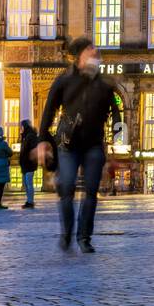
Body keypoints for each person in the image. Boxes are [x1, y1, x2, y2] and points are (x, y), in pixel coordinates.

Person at [38, 37, 123, 253]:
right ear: (78, 57)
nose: (95, 50)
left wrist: (119, 146)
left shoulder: (105, 82)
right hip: (68, 145)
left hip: (94, 145)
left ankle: (84, 237)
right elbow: (49, 111)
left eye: (94, 47)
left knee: (91, 192)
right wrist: (42, 142)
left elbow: (116, 115)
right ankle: (67, 232)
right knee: (66, 189)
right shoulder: (64, 80)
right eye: (89, 48)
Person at [19, 120, 39, 209]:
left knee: (29, 183)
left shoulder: (31, 136)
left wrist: (28, 159)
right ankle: (28, 201)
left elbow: (32, 150)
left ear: (25, 127)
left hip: (29, 164)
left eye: (22, 126)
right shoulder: (26, 136)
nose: (21, 128)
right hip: (25, 164)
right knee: (26, 184)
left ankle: (30, 202)